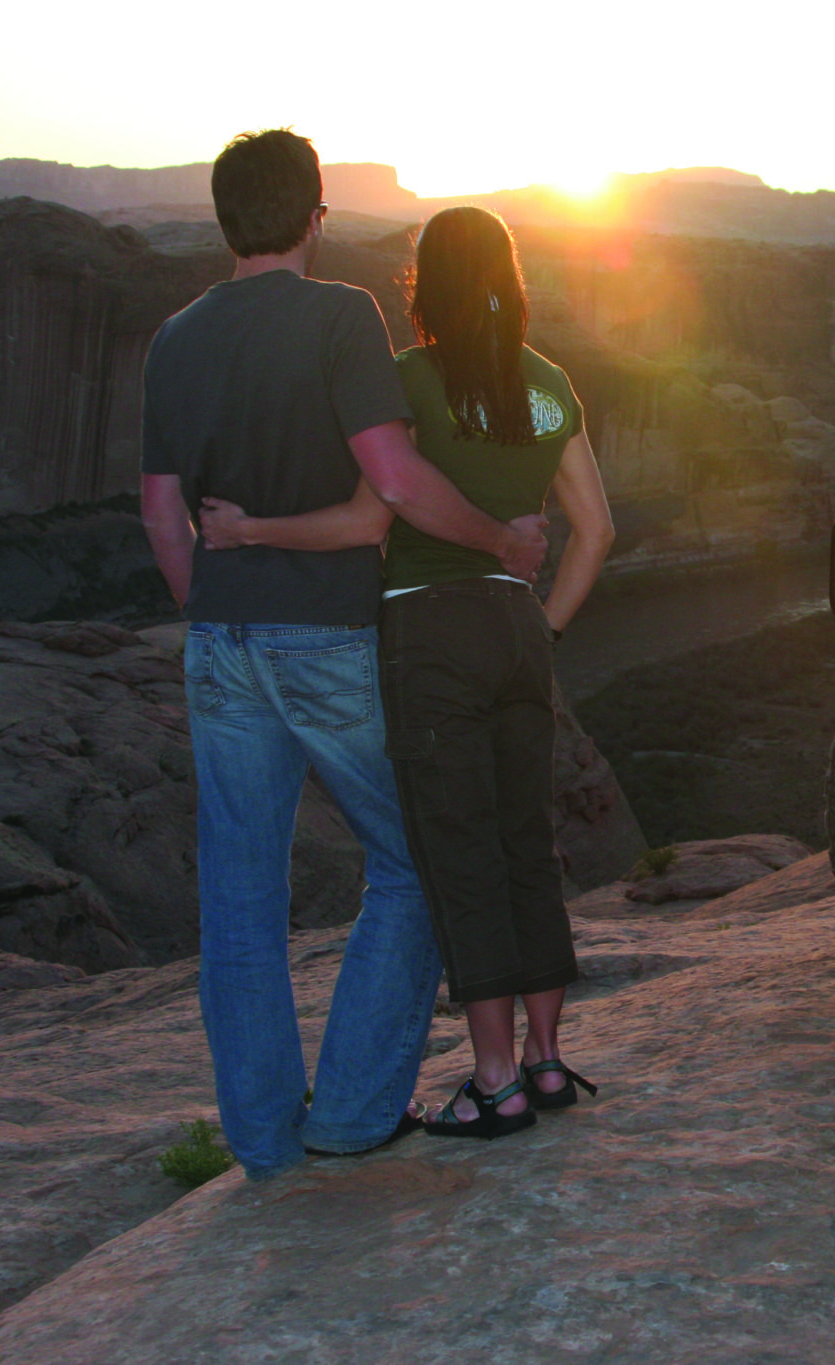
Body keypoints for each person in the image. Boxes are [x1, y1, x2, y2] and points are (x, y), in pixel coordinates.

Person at [140, 132, 550, 1179]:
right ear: (314, 215)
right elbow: (397, 485)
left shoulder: (174, 337)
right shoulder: (339, 315)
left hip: (221, 641)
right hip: (328, 635)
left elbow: (157, 510)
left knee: (238, 902)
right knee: (413, 863)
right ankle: (357, 1111)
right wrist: (503, 541)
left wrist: (218, 610)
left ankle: (266, 1144)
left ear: (226, 219)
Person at [201, 205, 616, 1140]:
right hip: (517, 632)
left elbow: (368, 519)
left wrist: (249, 530)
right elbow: (595, 529)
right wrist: (544, 624)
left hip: (430, 634)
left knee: (458, 851)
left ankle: (496, 1078)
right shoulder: (551, 386)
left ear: (424, 286)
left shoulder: (410, 381)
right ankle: (548, 1062)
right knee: (525, 845)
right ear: (508, 280)